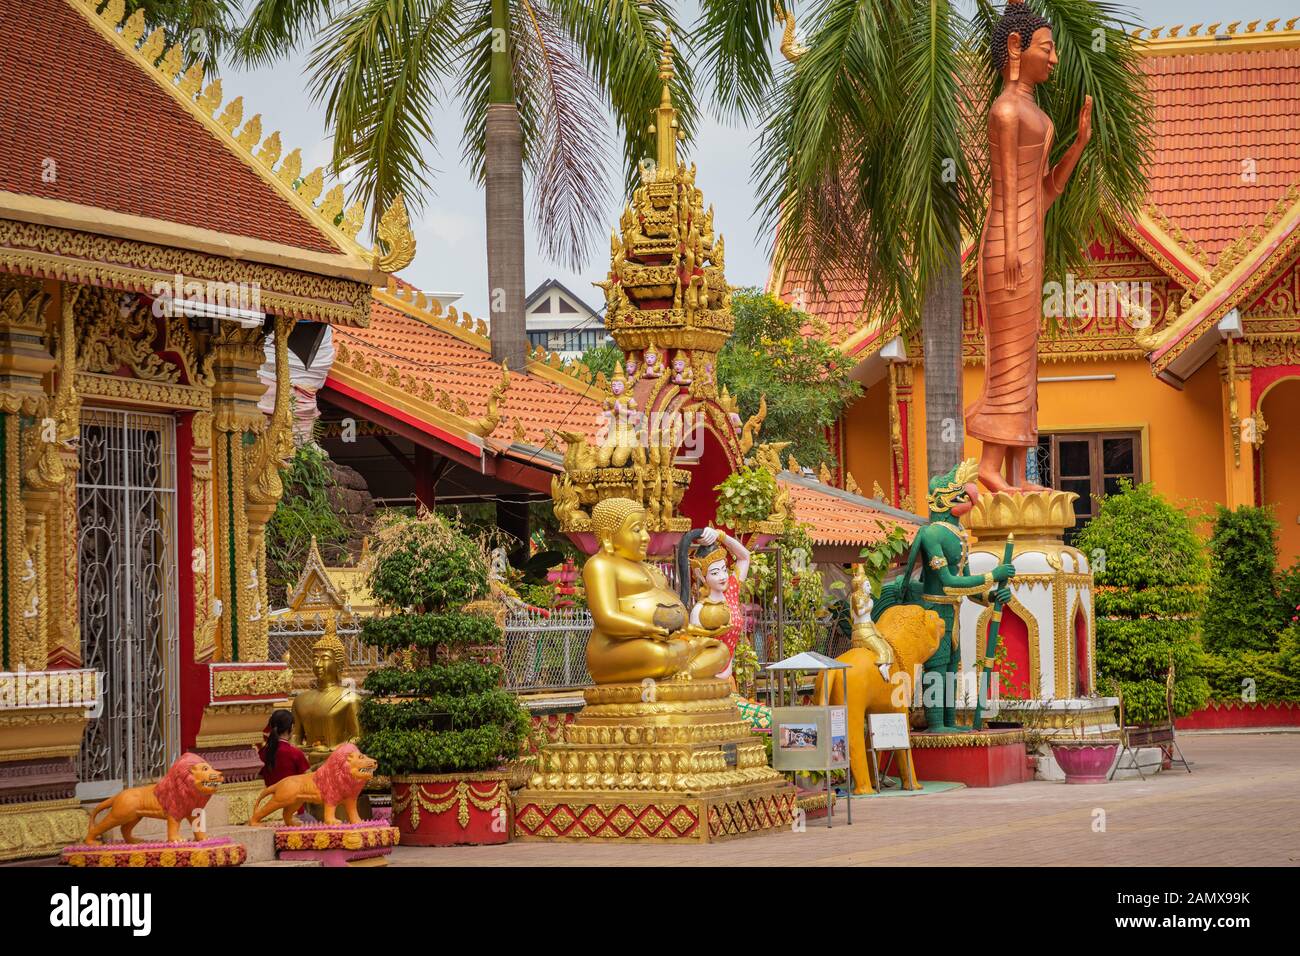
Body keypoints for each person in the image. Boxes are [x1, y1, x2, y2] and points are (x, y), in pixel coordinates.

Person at [259, 708, 309, 787]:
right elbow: (307, 779)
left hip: (269, 797)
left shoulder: (262, 752)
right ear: (292, 727)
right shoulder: (295, 753)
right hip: (292, 797)